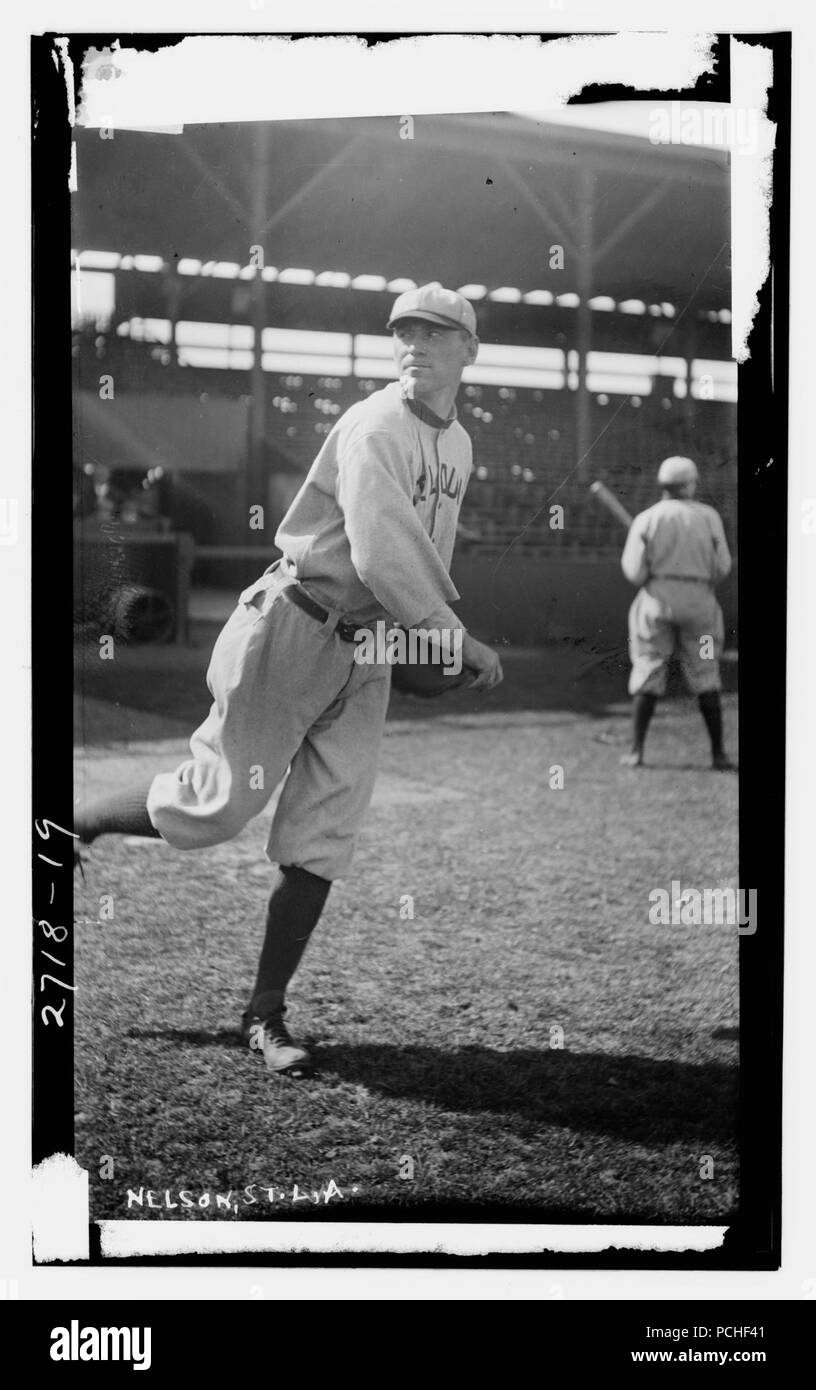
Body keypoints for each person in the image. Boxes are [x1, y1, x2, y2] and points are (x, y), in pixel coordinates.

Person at [75, 282, 504, 1076]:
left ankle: (265, 1014)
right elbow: (378, 553)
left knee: (324, 834)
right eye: (405, 330)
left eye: (436, 333)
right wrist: (454, 638)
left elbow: (418, 562)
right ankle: (81, 819)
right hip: (293, 622)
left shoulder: (461, 446)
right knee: (220, 804)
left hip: (365, 645)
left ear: (468, 352)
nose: (415, 342)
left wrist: (416, 652)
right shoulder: (375, 424)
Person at [619, 455, 735, 771]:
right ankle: (718, 754)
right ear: (687, 484)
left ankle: (636, 751)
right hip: (699, 600)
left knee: (647, 668)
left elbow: (633, 571)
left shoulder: (647, 518)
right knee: (706, 671)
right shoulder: (708, 516)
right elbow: (723, 566)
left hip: (657, 598)